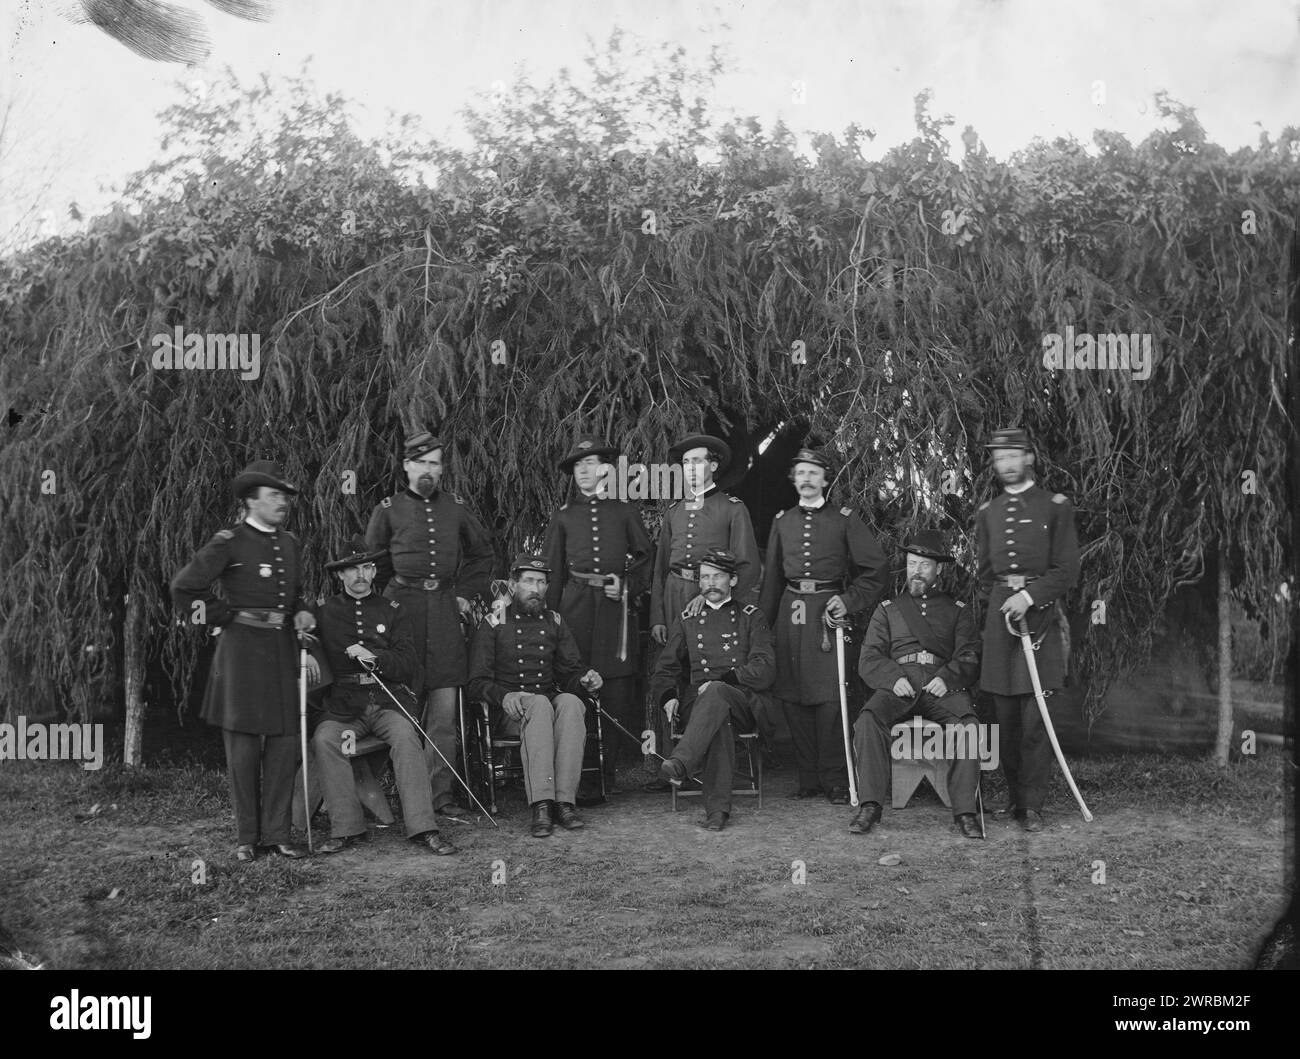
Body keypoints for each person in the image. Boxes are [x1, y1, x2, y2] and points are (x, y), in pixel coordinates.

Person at [171, 460, 315, 862]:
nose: (282, 503)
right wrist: (223, 616)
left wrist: (302, 611)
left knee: (285, 745)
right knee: (244, 749)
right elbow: (184, 587)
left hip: (282, 651)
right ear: (252, 500)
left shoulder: (290, 544)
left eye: (285, 497)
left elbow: (298, 592)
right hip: (241, 655)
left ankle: (278, 835)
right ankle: (247, 838)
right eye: (274, 496)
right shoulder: (229, 541)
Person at [365, 430, 493, 819]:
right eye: (420, 462)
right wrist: (385, 608)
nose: (427, 470)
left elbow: (482, 553)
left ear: (442, 469)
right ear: (406, 466)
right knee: (402, 713)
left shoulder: (456, 508)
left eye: (434, 463)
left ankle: (440, 797)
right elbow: (374, 563)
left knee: (443, 716)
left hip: (443, 616)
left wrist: (464, 594)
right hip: (401, 615)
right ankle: (409, 798)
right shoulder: (387, 509)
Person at [310, 536, 457, 856]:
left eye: (366, 567)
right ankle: (347, 828)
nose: (360, 575)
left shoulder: (392, 610)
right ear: (340, 576)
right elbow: (303, 636)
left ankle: (423, 827)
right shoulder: (324, 611)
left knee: (406, 738)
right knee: (325, 739)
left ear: (374, 571)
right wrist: (305, 649)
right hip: (345, 706)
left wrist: (374, 656)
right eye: (352, 570)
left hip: (387, 700)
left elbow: (407, 664)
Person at [760, 447, 887, 805]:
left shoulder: (844, 518)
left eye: (813, 473)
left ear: (825, 480)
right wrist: (761, 628)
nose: (806, 479)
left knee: (831, 697)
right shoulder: (782, 521)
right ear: (794, 480)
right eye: (800, 473)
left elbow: (876, 569)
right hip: (789, 613)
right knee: (793, 694)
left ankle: (834, 777)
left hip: (827, 615)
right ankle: (808, 778)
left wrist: (847, 601)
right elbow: (771, 581)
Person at [975, 427, 1080, 833]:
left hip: (1041, 618)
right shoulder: (989, 512)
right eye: (999, 459)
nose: (1005, 465)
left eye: (1012, 456)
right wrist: (1005, 602)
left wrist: (1030, 598)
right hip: (1003, 622)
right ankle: (1015, 797)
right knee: (1004, 716)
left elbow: (1067, 569)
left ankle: (1032, 805)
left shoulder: (1055, 506)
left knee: (1037, 717)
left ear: (1029, 458)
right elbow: (985, 575)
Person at [851, 531, 983, 839]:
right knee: (868, 720)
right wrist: (892, 678)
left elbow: (970, 655)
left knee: (969, 726)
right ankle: (870, 805)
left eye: (924, 565)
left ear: (939, 570)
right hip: (900, 687)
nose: (917, 571)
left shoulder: (958, 610)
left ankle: (965, 812)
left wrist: (947, 678)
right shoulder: (888, 609)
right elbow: (869, 657)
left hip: (941, 687)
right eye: (912, 563)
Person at [542, 436, 653, 799]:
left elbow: (646, 561)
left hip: (613, 612)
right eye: (578, 466)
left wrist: (626, 586)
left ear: (607, 468)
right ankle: (584, 776)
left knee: (617, 692)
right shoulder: (563, 516)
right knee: (579, 687)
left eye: (591, 464)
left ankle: (608, 773)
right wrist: (551, 619)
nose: (584, 472)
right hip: (574, 611)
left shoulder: (624, 511)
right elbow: (553, 572)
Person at [467, 555, 604, 837]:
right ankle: (542, 804)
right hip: (511, 711)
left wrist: (585, 679)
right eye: (528, 581)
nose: (536, 588)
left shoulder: (554, 621)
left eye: (541, 582)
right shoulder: (494, 623)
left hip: (545, 704)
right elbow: (476, 682)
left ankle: (565, 802)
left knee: (571, 703)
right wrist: (503, 696)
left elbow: (570, 670)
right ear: (514, 585)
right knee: (539, 704)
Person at [650, 549, 775, 832]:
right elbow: (665, 668)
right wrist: (668, 696)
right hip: (700, 706)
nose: (710, 583)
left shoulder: (750, 617)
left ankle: (681, 762)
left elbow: (765, 667)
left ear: (732, 580)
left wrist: (727, 678)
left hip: (743, 700)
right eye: (704, 578)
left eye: (717, 576)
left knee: (717, 693)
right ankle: (717, 812)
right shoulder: (688, 619)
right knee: (717, 718)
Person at [648, 432, 760, 644]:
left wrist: (713, 595)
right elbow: (661, 569)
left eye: (697, 461)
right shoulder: (674, 511)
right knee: (671, 667)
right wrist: (657, 617)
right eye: (686, 462)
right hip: (674, 597)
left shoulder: (732, 509)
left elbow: (748, 567)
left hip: (713, 601)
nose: (690, 468)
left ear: (714, 466)